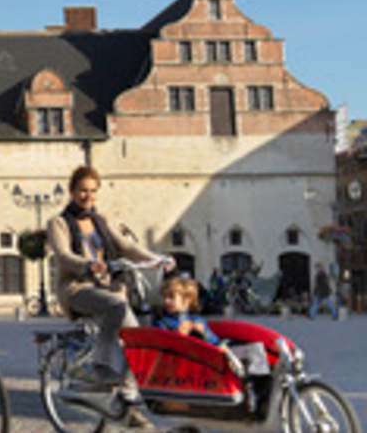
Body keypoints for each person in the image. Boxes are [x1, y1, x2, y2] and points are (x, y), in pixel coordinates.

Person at [49, 166, 169, 429]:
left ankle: (126, 401)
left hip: (106, 289)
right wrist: (87, 265)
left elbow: (126, 246)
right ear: (71, 191)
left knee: (136, 339)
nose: (87, 196)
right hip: (77, 289)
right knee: (116, 304)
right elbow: (62, 255)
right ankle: (99, 364)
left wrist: (156, 259)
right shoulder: (58, 223)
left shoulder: (100, 221)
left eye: (93, 191)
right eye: (82, 190)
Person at [155, 276, 270, 376]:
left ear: (186, 300)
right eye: (165, 297)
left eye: (171, 297)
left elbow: (214, 341)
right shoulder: (162, 323)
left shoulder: (196, 320)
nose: (166, 301)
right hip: (190, 362)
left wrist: (203, 331)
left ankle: (259, 379)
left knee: (254, 347)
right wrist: (178, 335)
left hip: (208, 355)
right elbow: (161, 347)